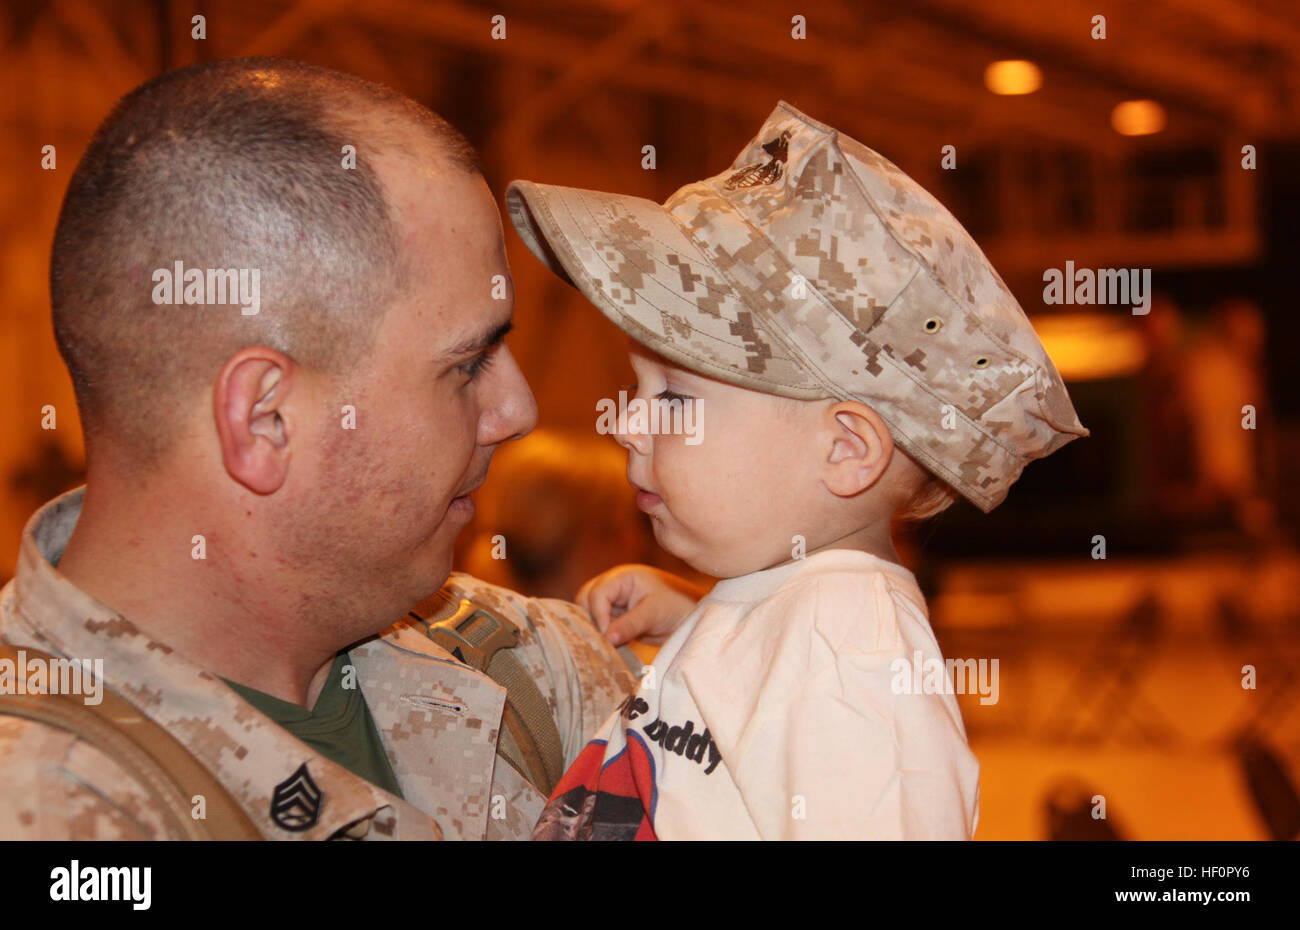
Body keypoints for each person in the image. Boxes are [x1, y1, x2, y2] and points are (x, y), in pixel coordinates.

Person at [0, 57, 696, 840]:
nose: (518, 411)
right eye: (467, 364)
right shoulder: (54, 809)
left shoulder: (523, 671)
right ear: (265, 419)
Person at [508, 101, 1089, 839]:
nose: (625, 423)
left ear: (846, 449)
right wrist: (710, 620)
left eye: (675, 398)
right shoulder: (815, 629)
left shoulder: (856, 670)